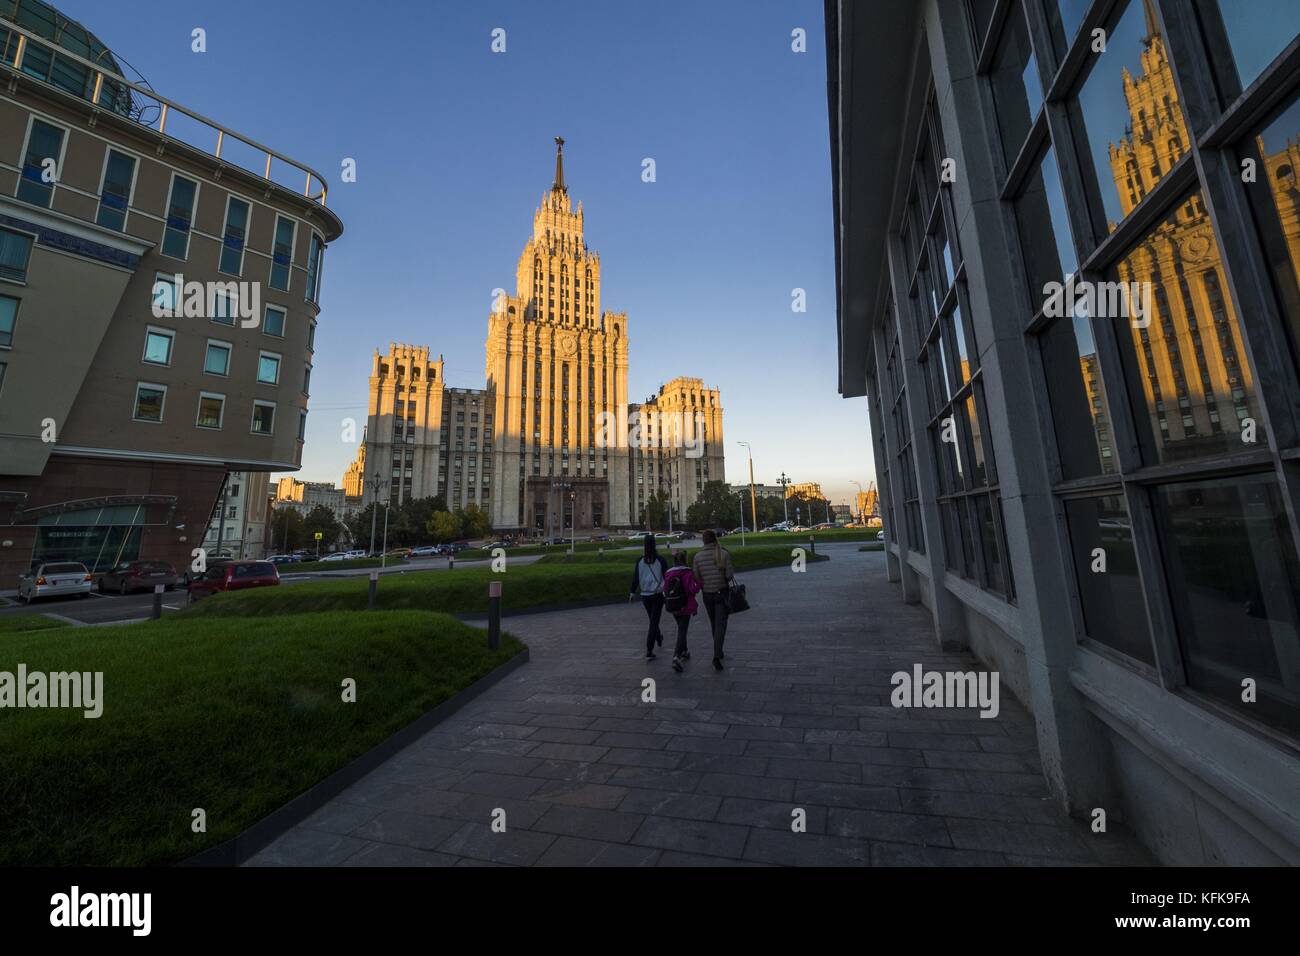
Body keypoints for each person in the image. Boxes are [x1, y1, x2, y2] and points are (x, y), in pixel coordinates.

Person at [692, 529, 735, 670]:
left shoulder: (697, 557)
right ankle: (717, 655)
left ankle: (719, 650)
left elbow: (697, 578)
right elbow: (729, 575)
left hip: (707, 595)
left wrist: (707, 582)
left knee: (714, 623)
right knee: (720, 625)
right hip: (721, 593)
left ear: (703, 540)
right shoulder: (723, 553)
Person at [629, 534, 669, 659]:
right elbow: (667, 577)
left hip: (645, 596)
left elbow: (636, 577)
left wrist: (632, 592)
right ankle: (649, 649)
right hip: (657, 595)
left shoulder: (640, 561)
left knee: (653, 620)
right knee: (653, 622)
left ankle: (657, 637)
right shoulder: (660, 560)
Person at [662, 550, 701, 672]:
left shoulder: (668, 573)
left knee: (681, 628)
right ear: (685, 560)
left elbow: (664, 589)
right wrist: (700, 582)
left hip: (672, 605)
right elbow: (693, 590)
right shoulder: (688, 572)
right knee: (682, 631)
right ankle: (676, 657)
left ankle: (684, 651)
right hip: (685, 605)